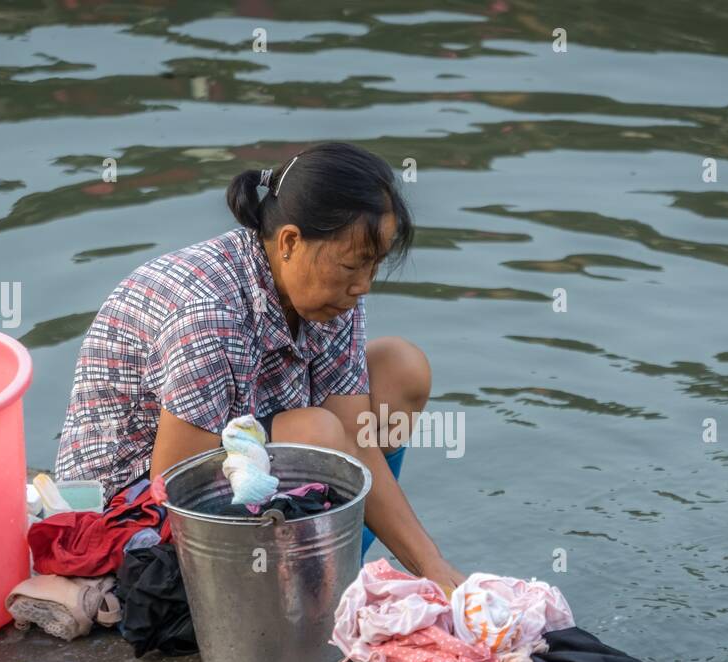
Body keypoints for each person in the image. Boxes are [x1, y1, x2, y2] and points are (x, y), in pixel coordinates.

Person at [53, 142, 465, 594]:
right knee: (319, 435)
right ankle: (306, 583)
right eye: (351, 265)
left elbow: (358, 437)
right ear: (289, 241)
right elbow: (171, 482)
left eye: (373, 266)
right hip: (135, 508)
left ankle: (334, 561)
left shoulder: (332, 291)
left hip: (246, 450)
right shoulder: (209, 311)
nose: (362, 286)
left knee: (401, 369)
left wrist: (434, 569)